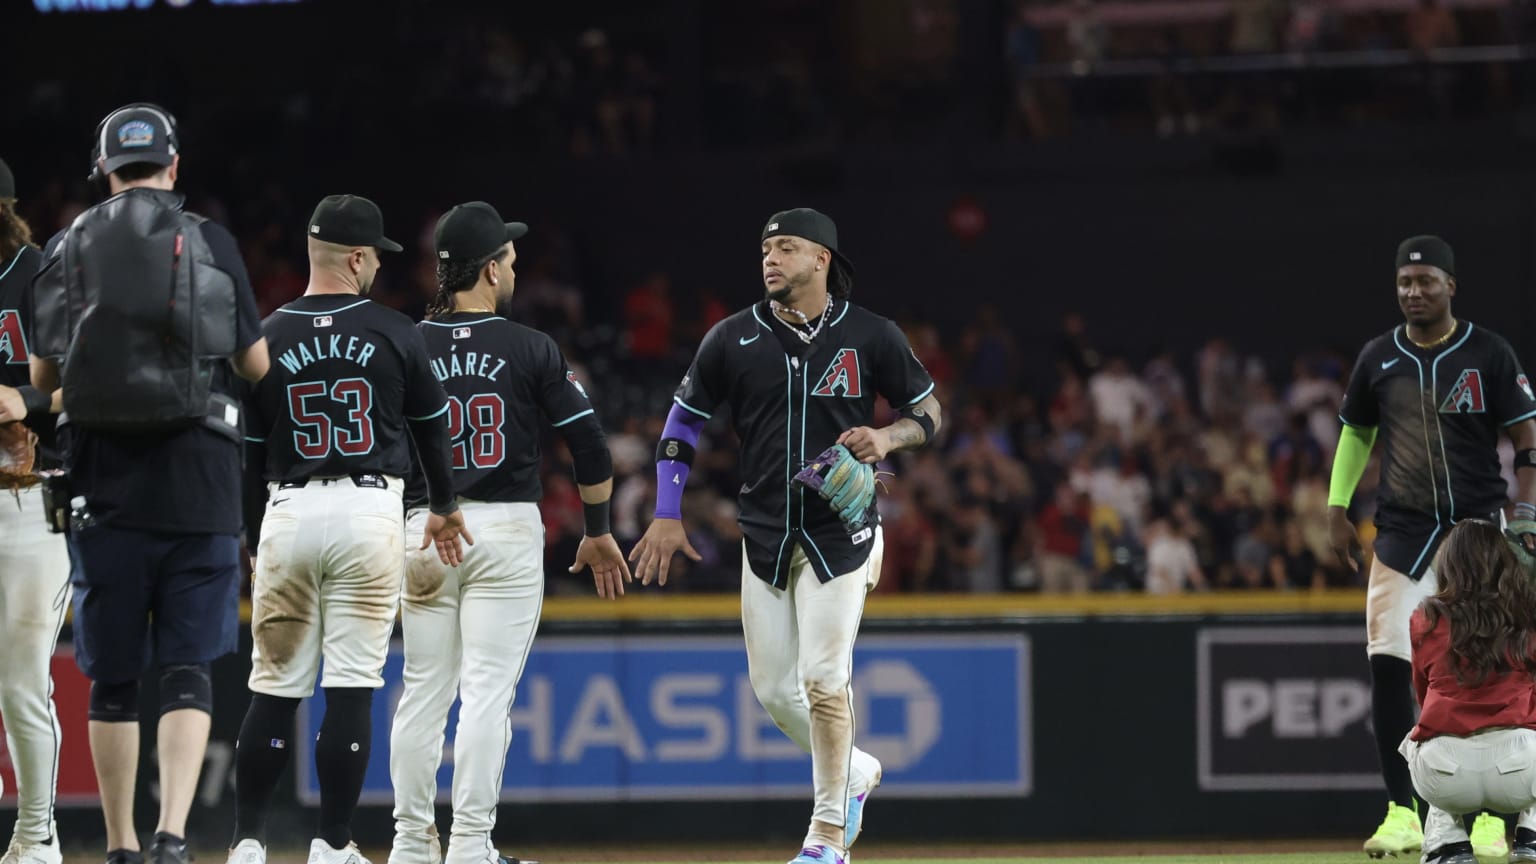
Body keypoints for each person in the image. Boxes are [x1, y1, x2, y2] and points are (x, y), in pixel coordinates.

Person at [629, 208, 942, 864]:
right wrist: (666, 509)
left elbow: (928, 410)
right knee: (775, 692)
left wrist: (887, 437)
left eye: (787, 248)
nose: (771, 258)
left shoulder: (870, 334)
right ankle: (852, 771)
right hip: (766, 532)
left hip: (841, 528)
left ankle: (827, 837)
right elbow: (682, 424)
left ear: (822, 259)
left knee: (825, 678)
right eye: (766, 247)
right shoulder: (732, 337)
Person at [28, 103, 271, 864]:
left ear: (103, 170)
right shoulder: (209, 240)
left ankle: (122, 844)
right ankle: (172, 837)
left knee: (112, 675)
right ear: (173, 167)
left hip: (101, 481)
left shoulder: (64, 246)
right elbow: (256, 368)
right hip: (198, 477)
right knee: (188, 668)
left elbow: (43, 376)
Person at [227, 195, 470, 864]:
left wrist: (253, 536)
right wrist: (445, 503)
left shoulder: (266, 335)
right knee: (352, 685)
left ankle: (247, 841)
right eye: (375, 258)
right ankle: (332, 843)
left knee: (273, 687)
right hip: (369, 512)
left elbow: (248, 450)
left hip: (289, 509)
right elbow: (432, 432)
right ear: (358, 258)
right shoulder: (396, 330)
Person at [387, 201, 631, 864]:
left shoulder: (407, 342)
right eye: (511, 261)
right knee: (486, 695)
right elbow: (591, 447)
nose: (514, 270)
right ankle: (469, 845)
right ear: (490, 270)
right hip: (502, 529)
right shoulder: (530, 346)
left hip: (426, 526)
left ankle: (411, 845)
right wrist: (599, 529)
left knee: (421, 692)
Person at [1329, 235, 1536, 860]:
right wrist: (1337, 507)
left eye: (1426, 280)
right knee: (1388, 665)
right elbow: (1355, 434)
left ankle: (1489, 815)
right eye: (1404, 282)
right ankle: (1402, 811)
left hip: (1476, 534)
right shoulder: (1378, 358)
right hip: (1402, 535)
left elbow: (1527, 437)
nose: (1414, 291)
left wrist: (1526, 509)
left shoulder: (1488, 352)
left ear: (1451, 285)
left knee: (1493, 667)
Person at [0, 156, 69, 864]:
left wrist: (33, 403)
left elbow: (91, 384)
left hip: (27, 501)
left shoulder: (40, 274)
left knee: (22, 683)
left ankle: (36, 833)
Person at [1403, 519, 1536, 864]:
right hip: (1522, 768)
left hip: (1446, 774)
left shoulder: (1424, 617)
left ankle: (1448, 843)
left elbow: (1423, 694)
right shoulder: (1527, 614)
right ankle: (1532, 834)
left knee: (1416, 740)